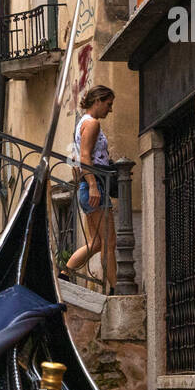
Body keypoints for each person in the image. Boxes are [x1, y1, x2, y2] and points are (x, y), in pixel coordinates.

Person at [64, 85, 118, 288]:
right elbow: (85, 156)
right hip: (95, 187)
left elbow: (76, 157)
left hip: (88, 186)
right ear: (97, 101)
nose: (110, 109)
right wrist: (94, 186)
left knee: (96, 243)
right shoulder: (92, 123)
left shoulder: (81, 123)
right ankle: (116, 289)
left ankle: (63, 274)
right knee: (109, 242)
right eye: (108, 104)